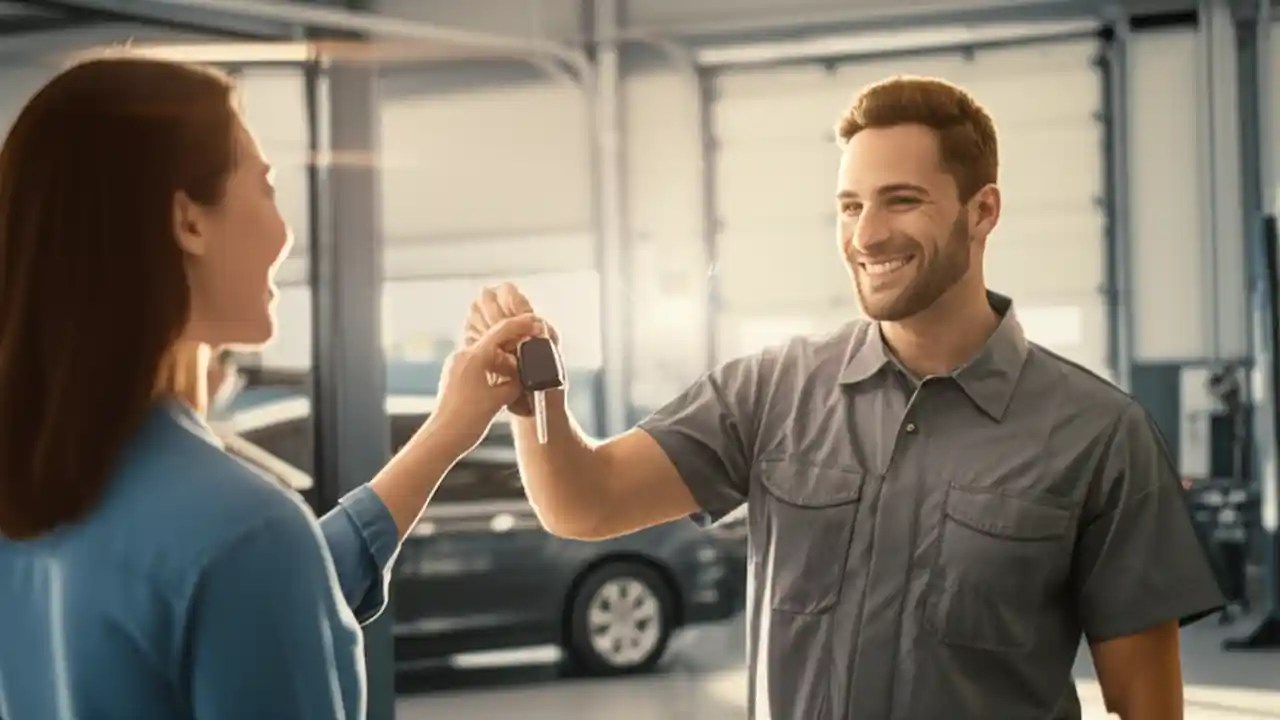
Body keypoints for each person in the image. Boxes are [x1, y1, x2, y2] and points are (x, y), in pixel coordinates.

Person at [466, 76, 1226, 719]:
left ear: (983, 211)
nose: (867, 235)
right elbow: (585, 502)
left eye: (901, 201)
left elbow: (1147, 708)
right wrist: (539, 390)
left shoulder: (1099, 436)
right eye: (850, 205)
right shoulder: (771, 392)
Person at [0, 56, 541, 719]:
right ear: (189, 222)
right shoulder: (241, 533)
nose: (285, 235)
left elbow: (264, 593)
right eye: (266, 188)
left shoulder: (50, 490)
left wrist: (446, 432)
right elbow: (252, 575)